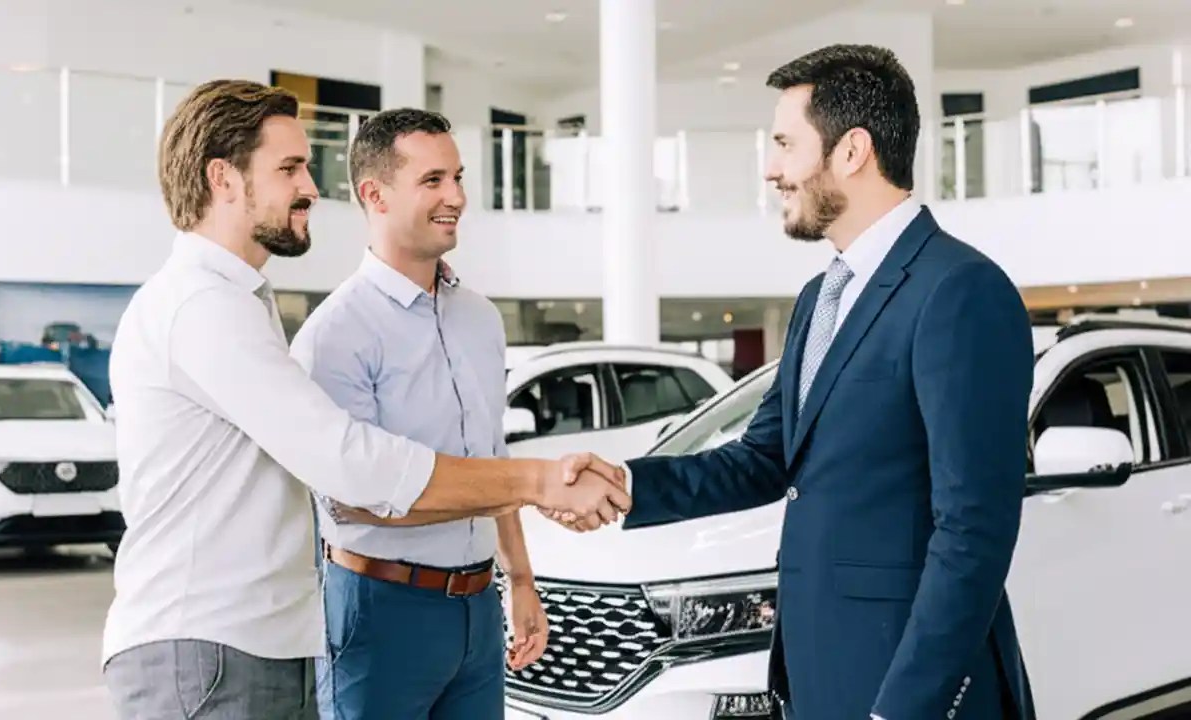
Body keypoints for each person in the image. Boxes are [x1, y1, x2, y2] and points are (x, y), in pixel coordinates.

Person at [101, 80, 628, 720]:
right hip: (209, 648)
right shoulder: (202, 307)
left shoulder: (235, 302)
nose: (311, 187)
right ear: (224, 179)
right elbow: (348, 465)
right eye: (289, 168)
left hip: (255, 644)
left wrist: (518, 566)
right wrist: (539, 481)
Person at [554, 45, 1037, 719]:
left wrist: (902, 709)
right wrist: (626, 484)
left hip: (906, 687)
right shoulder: (820, 297)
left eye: (785, 144)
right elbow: (763, 459)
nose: (771, 169)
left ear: (852, 151)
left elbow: (974, 532)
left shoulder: (960, 290)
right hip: (820, 673)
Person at [289, 107, 547, 720]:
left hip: (478, 607)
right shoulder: (334, 335)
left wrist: (521, 579)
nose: (456, 197)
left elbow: (492, 458)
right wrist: (533, 485)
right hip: (379, 609)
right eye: (432, 180)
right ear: (374, 195)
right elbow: (354, 500)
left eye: (457, 178)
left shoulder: (481, 318)